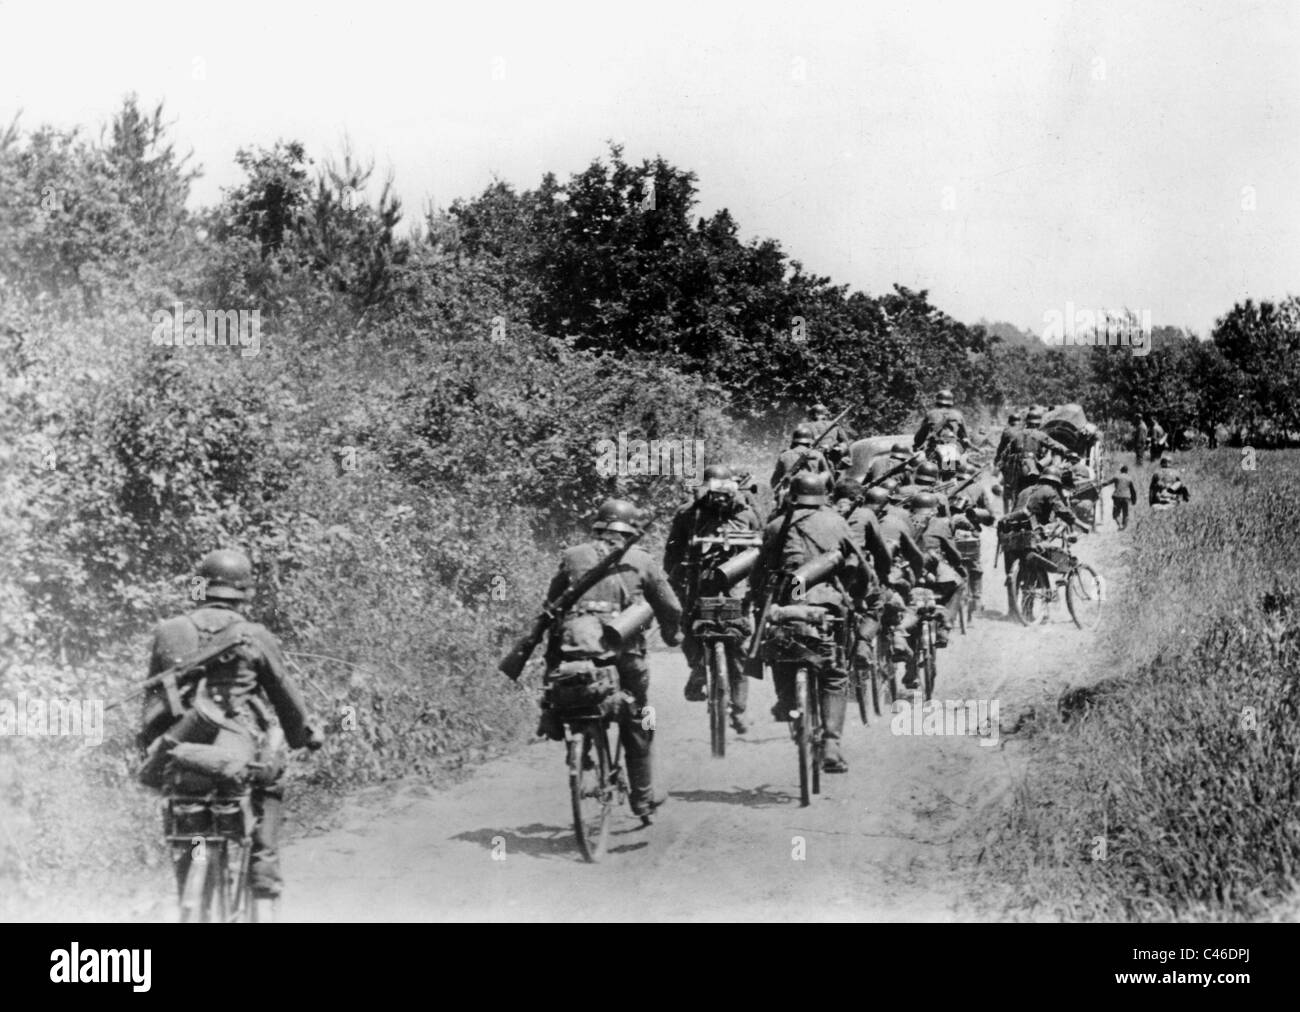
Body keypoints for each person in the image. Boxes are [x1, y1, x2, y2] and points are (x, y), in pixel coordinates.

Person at [138, 549, 324, 923]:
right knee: (270, 784)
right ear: (245, 592)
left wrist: (150, 753)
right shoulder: (254, 635)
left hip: (178, 752)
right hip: (235, 757)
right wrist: (304, 735)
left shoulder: (168, 631)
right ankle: (263, 892)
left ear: (201, 587)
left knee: (186, 823)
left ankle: (191, 890)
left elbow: (151, 705)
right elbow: (285, 699)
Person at [541, 499, 683, 818]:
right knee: (637, 716)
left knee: (567, 691)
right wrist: (674, 634)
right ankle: (642, 798)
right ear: (630, 529)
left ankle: (580, 752)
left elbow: (552, 604)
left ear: (598, 526)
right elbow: (670, 607)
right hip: (625, 649)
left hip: (577, 643)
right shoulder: (641, 559)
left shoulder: (573, 555)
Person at [751, 472, 868, 773]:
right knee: (834, 672)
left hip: (792, 600)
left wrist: (757, 598)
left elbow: (762, 568)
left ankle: (786, 700)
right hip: (828, 601)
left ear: (792, 495)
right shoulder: (836, 522)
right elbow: (859, 565)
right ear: (823, 496)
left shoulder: (777, 525)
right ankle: (831, 742)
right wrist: (855, 592)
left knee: (780, 654)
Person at [664, 465, 762, 733]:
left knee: (698, 627)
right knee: (734, 641)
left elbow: (671, 553)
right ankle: (735, 707)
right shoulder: (742, 513)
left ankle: (700, 671)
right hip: (723, 585)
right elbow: (673, 552)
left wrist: (673, 578)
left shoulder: (693, 512)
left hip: (713, 584)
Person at [865, 485, 924, 661]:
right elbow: (915, 555)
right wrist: (916, 577)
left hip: (800, 586)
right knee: (910, 603)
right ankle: (899, 634)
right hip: (885, 580)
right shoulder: (896, 521)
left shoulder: (853, 520)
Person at [905, 492, 967, 651]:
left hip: (910, 572)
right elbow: (953, 554)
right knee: (959, 585)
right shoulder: (940, 523)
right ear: (934, 509)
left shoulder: (905, 521)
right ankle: (944, 627)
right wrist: (958, 565)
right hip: (934, 572)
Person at [1005, 406, 1077, 500]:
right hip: (1031, 469)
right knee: (1033, 492)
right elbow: (1055, 445)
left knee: (1018, 494)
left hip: (1017, 469)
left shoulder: (1017, 434)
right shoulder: (1039, 435)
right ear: (1037, 424)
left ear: (1027, 422)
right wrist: (1069, 453)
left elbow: (1006, 452)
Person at [770, 424, 830, 504]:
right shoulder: (818, 455)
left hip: (790, 496)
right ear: (810, 441)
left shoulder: (784, 456)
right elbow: (829, 479)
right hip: (812, 496)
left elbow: (774, 481)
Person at [1111, 465, 1137, 529]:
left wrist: (1100, 485)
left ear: (1121, 470)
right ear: (1127, 471)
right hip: (1126, 498)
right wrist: (1134, 500)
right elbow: (1133, 491)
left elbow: (1107, 482)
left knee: (1116, 514)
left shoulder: (1117, 477)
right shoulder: (1129, 478)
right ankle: (1124, 527)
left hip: (1117, 497)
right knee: (1126, 513)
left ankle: (1119, 525)